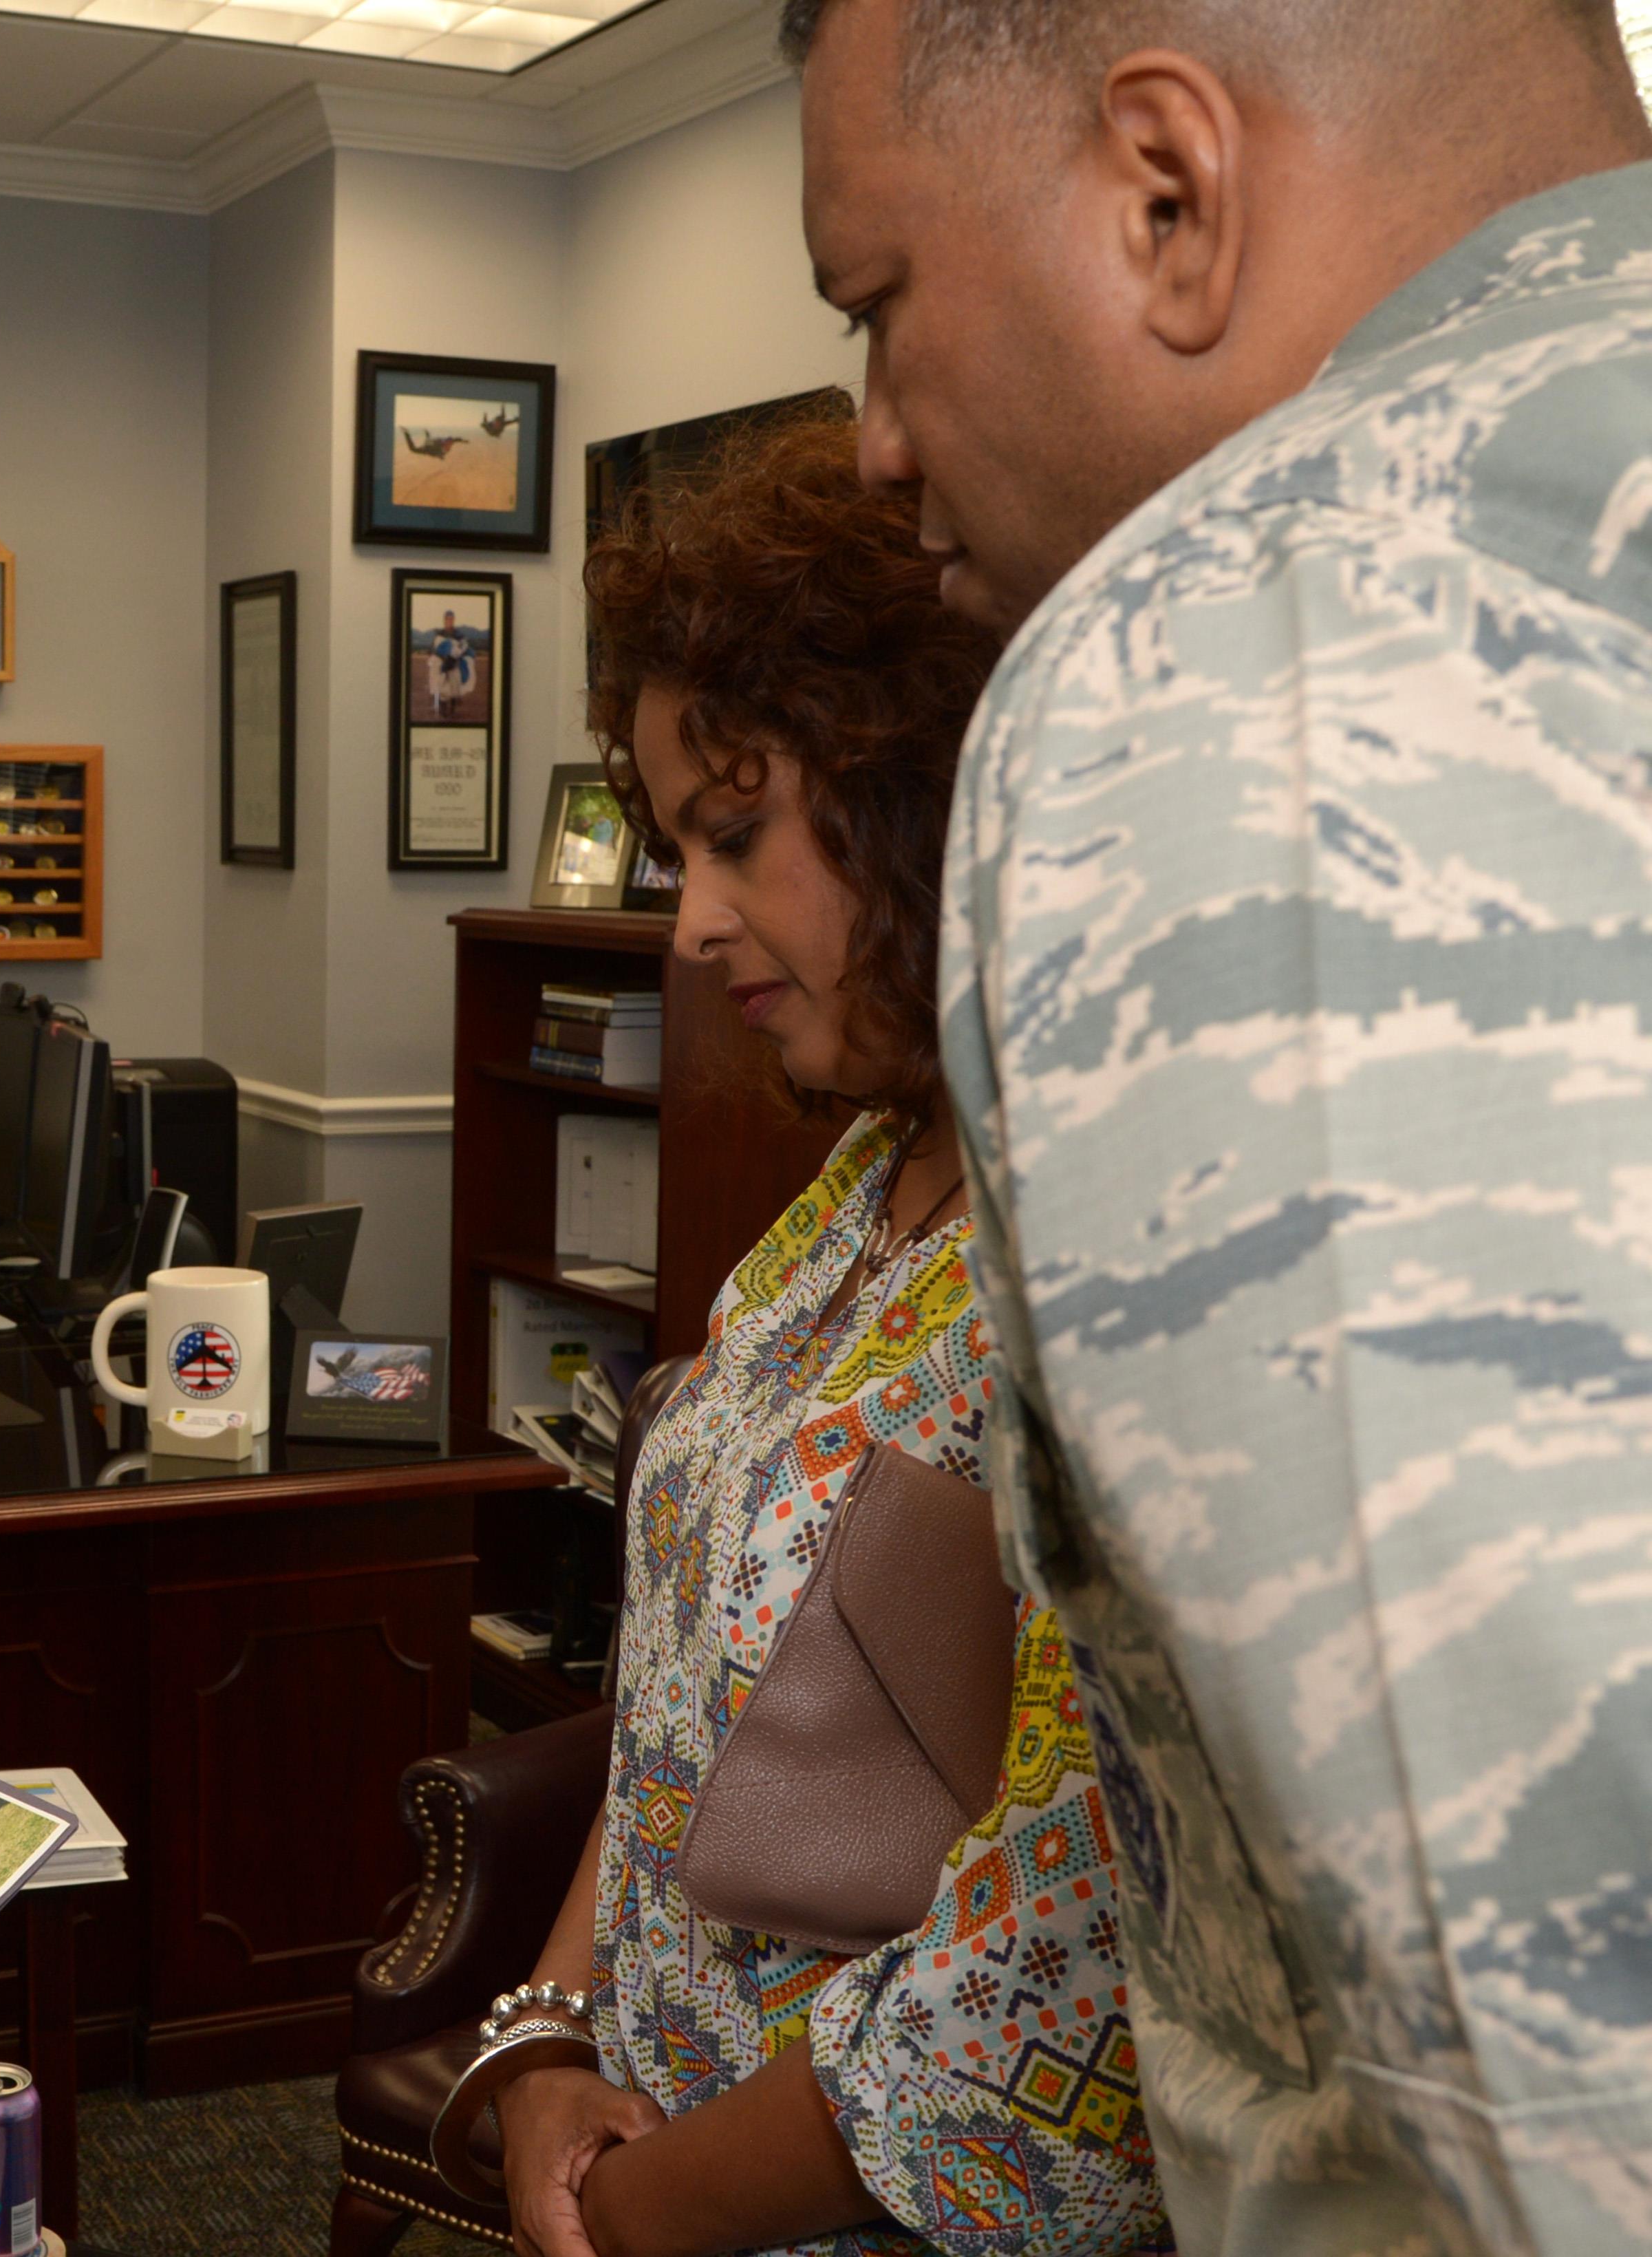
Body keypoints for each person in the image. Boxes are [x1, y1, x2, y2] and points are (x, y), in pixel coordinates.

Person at [786, 0, 1652, 2247]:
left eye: (876, 303)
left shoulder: (1251, 659)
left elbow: (1550, 2042)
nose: (874, 442)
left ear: (1169, 192)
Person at [489, 417, 1167, 2257]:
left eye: (736, 837)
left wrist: (635, 2216)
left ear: (931, 788)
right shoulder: (855, 1190)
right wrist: (545, 2040)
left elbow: (1050, 1994)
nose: (693, 926)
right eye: (675, 852)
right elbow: (674, 1721)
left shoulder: (1108, 1251)